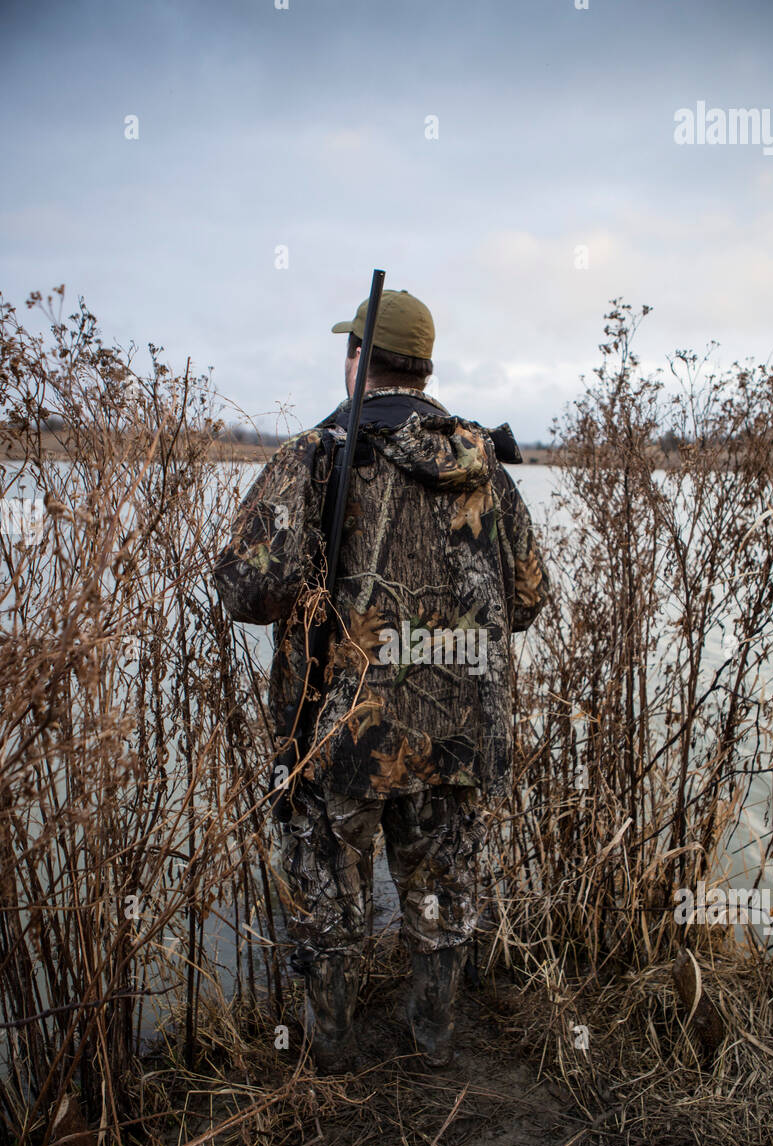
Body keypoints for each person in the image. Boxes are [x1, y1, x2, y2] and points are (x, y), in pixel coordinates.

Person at [213, 287, 549, 1072]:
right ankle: (433, 1045)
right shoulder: (483, 465)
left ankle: (328, 1060)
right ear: (425, 370)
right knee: (441, 902)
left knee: (327, 910)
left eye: (350, 347)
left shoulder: (315, 454)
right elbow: (528, 600)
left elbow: (243, 594)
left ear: (360, 359)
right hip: (458, 735)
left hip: (341, 736)